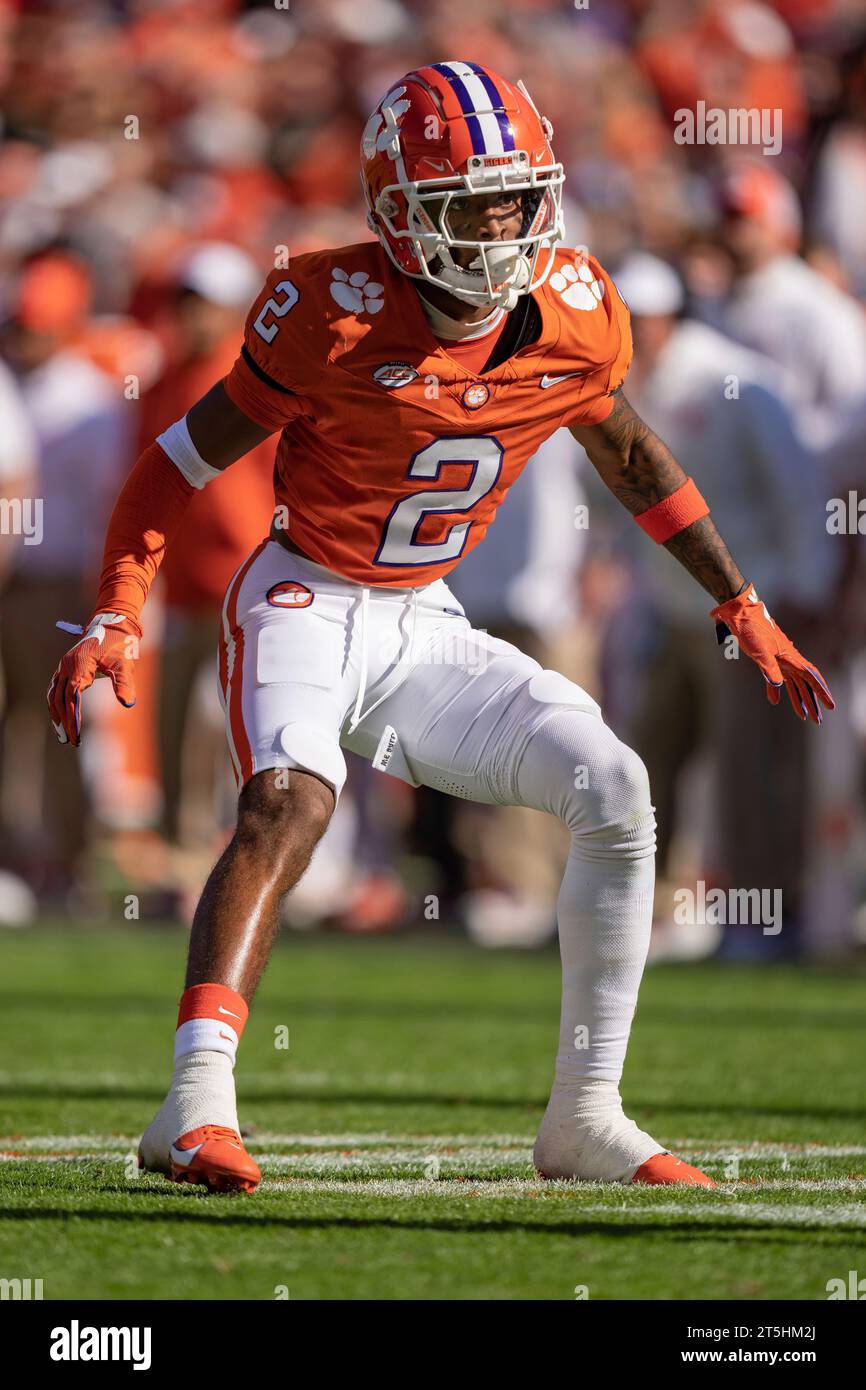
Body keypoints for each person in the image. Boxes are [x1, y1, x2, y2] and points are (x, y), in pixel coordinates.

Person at [48, 63, 833, 1194]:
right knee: (290, 799)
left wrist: (737, 598)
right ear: (398, 212)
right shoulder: (328, 310)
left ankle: (586, 1117)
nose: (503, 222)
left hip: (424, 616)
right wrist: (118, 607)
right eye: (473, 201)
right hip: (304, 595)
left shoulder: (574, 309)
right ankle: (194, 1102)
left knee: (614, 785)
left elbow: (627, 451)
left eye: (517, 196)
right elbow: (172, 465)